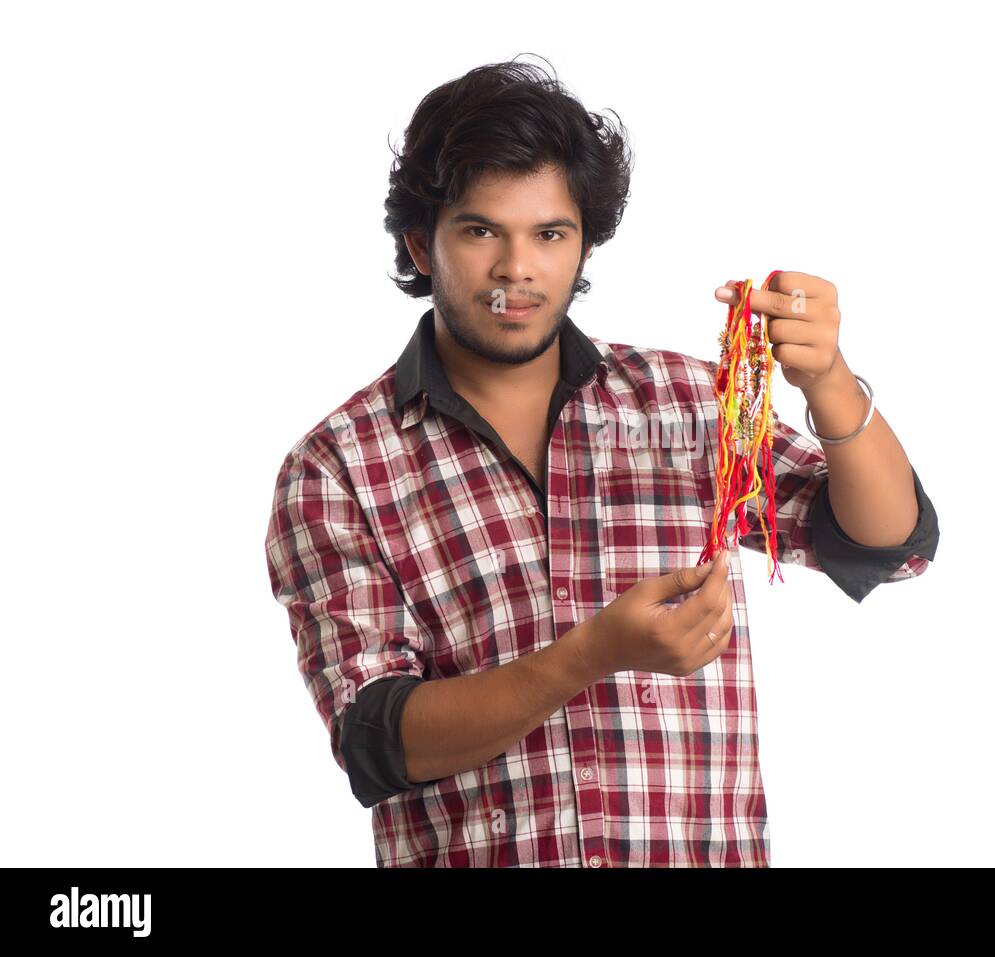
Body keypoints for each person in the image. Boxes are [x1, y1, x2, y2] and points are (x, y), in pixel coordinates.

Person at [263, 58, 940, 867]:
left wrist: (827, 379)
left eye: (550, 234)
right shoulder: (338, 467)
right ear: (421, 240)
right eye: (481, 231)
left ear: (582, 244)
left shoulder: (683, 404)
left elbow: (888, 542)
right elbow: (377, 738)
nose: (518, 268)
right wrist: (590, 655)